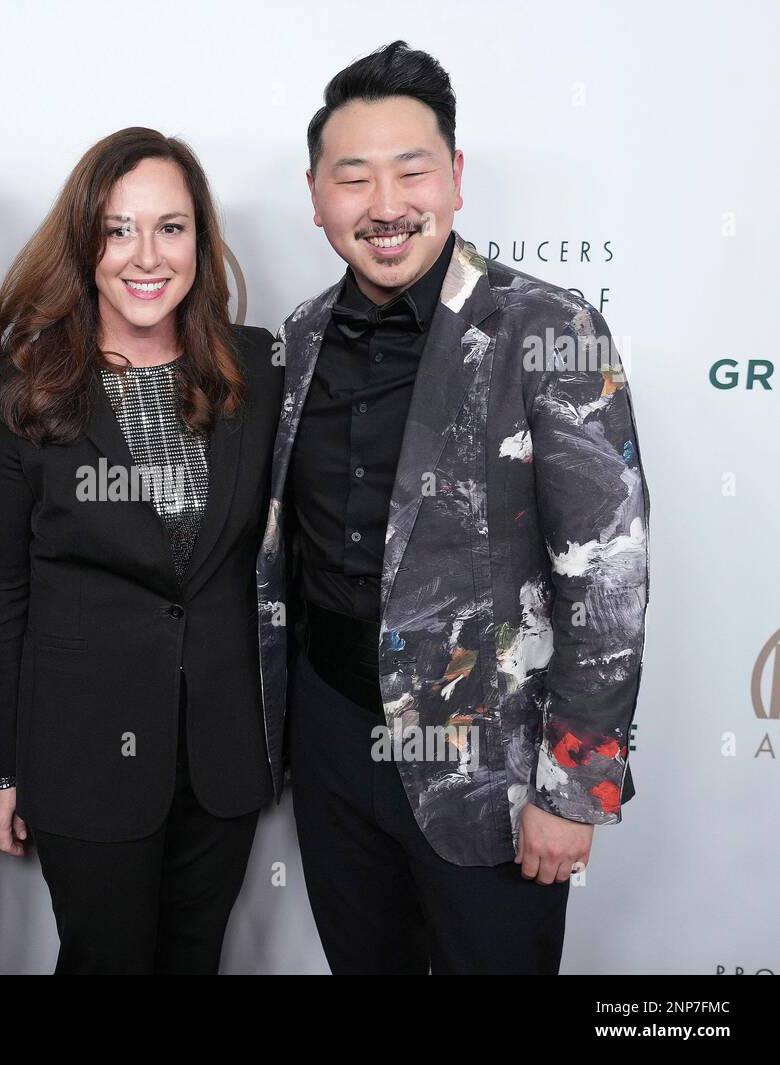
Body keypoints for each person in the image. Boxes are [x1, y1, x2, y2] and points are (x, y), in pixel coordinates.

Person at [256, 41, 650, 974]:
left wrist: (574, 788)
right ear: (316, 195)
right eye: (353, 179)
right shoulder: (303, 335)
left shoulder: (547, 329)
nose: (386, 206)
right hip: (331, 736)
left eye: (412, 171)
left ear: (457, 179)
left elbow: (610, 578)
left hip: (493, 765)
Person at [0, 127, 282, 974]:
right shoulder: (20, 392)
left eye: (171, 227)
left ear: (201, 240)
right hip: (81, 755)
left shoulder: (256, 372)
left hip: (220, 756)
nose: (147, 254)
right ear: (83, 241)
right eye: (118, 229)